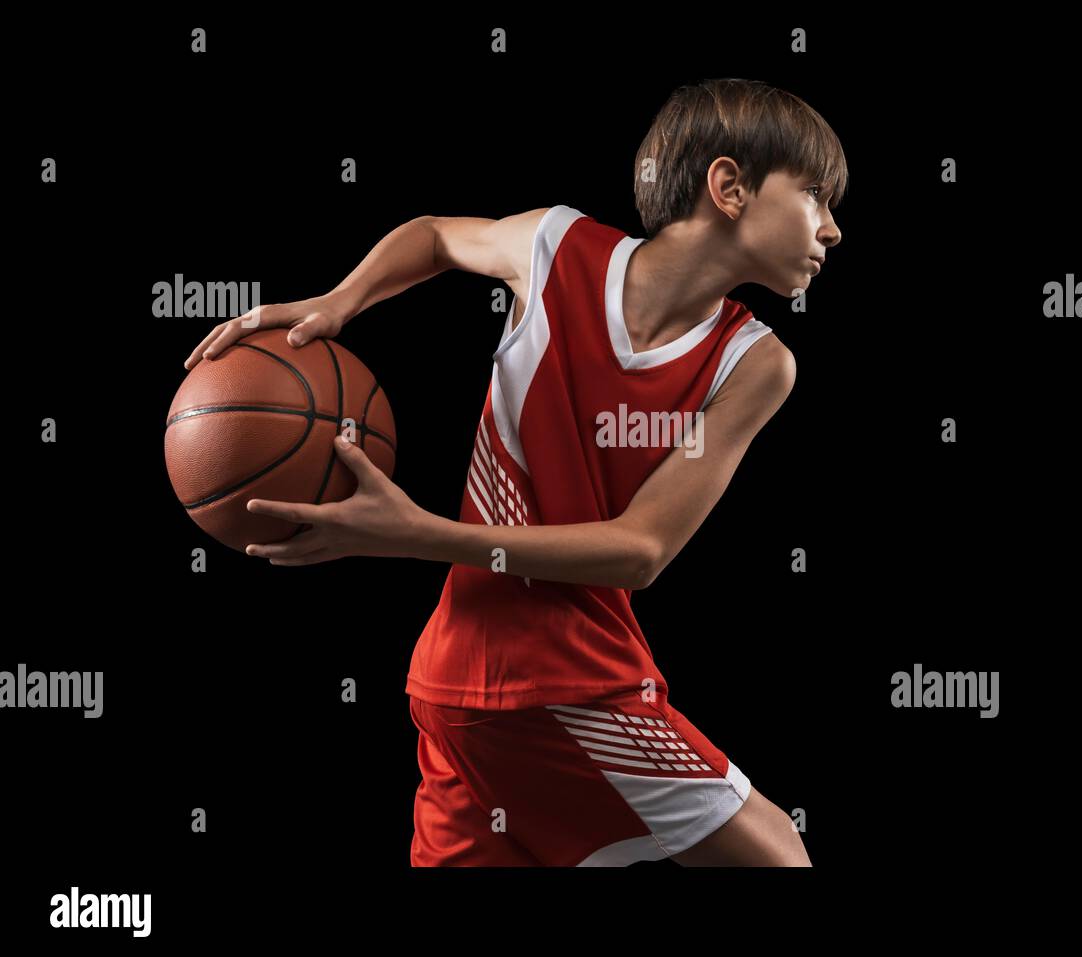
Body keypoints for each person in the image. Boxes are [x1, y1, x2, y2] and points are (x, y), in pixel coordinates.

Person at [184, 78, 845, 866]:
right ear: (730, 187)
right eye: (815, 196)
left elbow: (642, 549)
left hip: (457, 684)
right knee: (779, 856)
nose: (832, 230)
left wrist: (417, 534)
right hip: (559, 683)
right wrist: (340, 303)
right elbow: (433, 235)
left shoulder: (755, 363)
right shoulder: (555, 247)